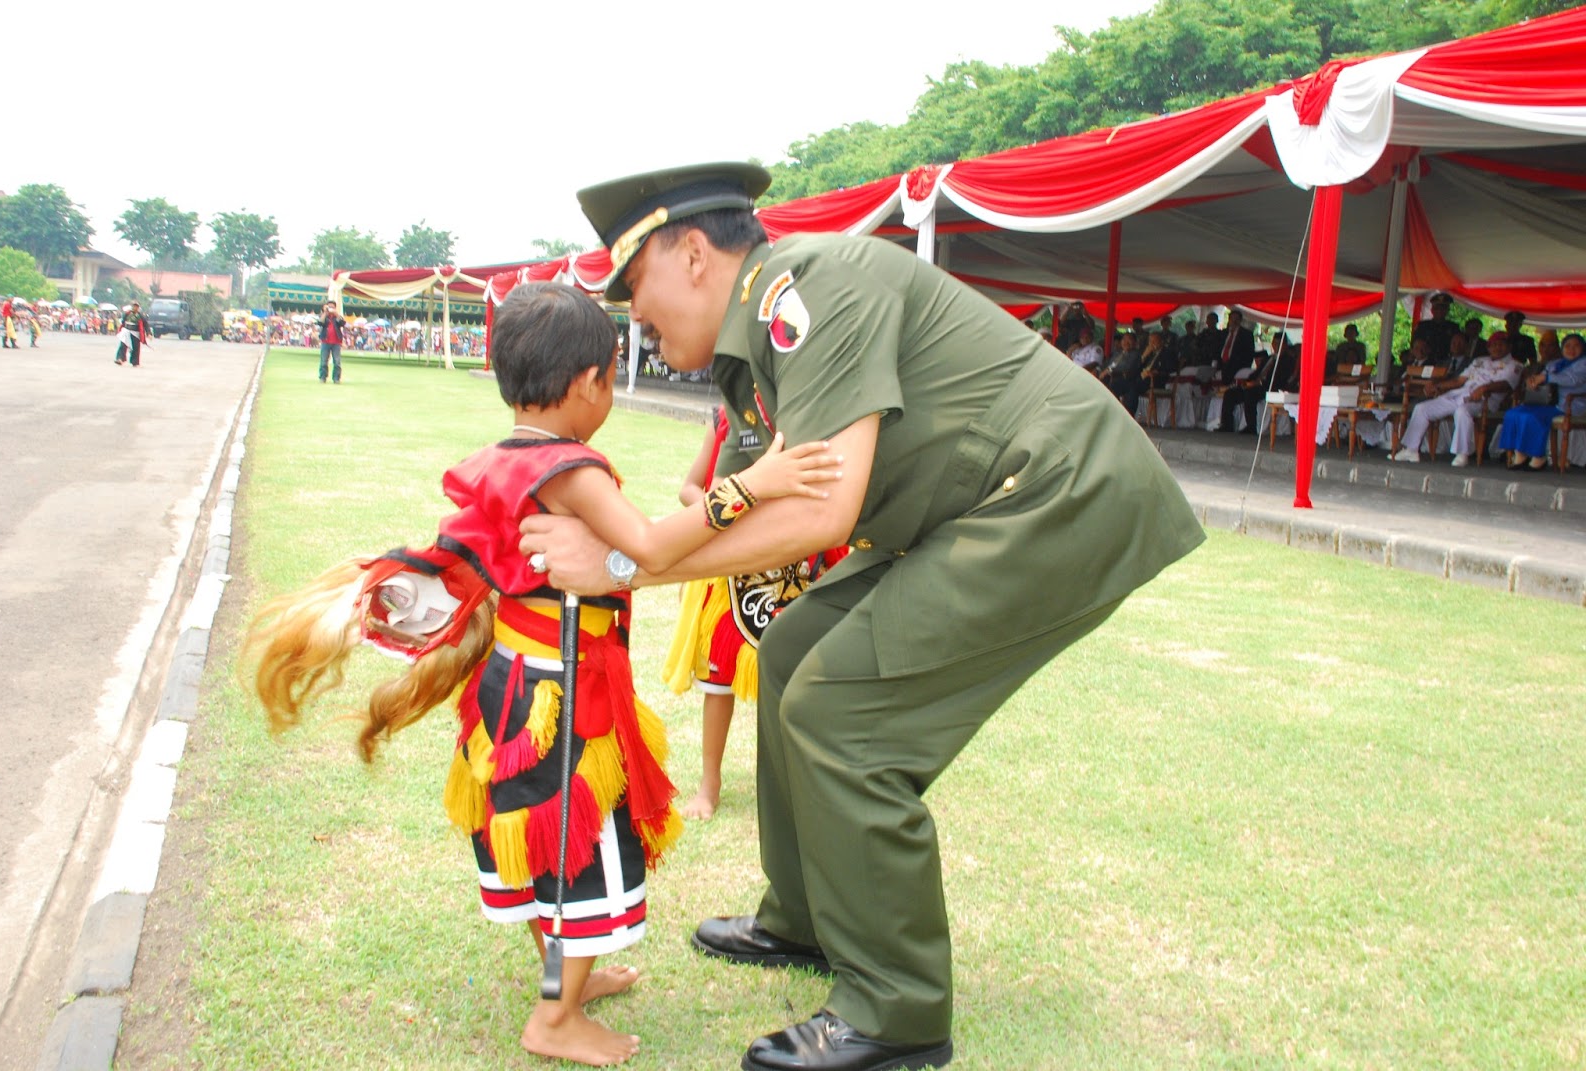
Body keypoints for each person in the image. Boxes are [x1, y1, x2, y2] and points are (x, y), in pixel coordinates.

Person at [521, 163, 1204, 1071]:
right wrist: (634, 550)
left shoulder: (806, 287)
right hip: (973, 505)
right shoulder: (751, 349)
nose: (629, 312)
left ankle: (896, 1010)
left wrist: (620, 565)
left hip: (1053, 489)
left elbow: (820, 513)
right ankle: (802, 916)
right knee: (797, 648)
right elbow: (758, 508)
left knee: (843, 708)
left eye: (634, 284)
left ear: (692, 253)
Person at [243, 282, 839, 1066]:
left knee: (542, 857)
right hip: (563, 706)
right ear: (591, 381)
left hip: (512, 695)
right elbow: (652, 549)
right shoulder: (571, 467)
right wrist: (757, 484)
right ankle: (555, 1020)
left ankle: (566, 983)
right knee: (582, 856)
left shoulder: (497, 460)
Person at [663, 406, 846, 820]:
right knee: (719, 682)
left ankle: (796, 782)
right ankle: (709, 784)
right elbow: (690, 489)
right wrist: (731, 508)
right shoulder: (724, 417)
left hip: (798, 564)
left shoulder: (816, 411)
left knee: (798, 682)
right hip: (731, 570)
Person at [1393, 329, 1522, 466]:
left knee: (1462, 411)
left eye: (1501, 344)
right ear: (1488, 347)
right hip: (1461, 394)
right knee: (1422, 408)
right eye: (1493, 344)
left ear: (1509, 347)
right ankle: (1411, 450)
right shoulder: (1479, 361)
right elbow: (1459, 381)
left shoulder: (1515, 365)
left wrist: (1484, 388)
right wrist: (1438, 386)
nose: (1497, 347)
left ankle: (1462, 453)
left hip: (1485, 400)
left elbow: (1507, 385)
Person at [1497, 331, 1586, 469]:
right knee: (1513, 413)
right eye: (1568, 346)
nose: (1571, 349)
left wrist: (1547, 378)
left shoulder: (1583, 363)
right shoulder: (1555, 364)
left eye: (1576, 346)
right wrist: (1532, 381)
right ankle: (1520, 453)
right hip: (1547, 403)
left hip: (1569, 405)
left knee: (1534, 416)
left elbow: (1573, 380)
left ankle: (1539, 456)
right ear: (1562, 349)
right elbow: (1541, 377)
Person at [1412, 291, 1458, 362]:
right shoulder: (1423, 326)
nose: (1439, 311)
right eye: (1437, 309)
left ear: (1447, 310)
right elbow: (1415, 345)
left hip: (1446, 362)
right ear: (1432, 310)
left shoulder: (1453, 327)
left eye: (1443, 309)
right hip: (1425, 361)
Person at [317, 301, 346, 382]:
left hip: (336, 342)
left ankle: (336, 378)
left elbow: (343, 323)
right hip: (325, 341)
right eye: (329, 306)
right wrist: (325, 313)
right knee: (323, 361)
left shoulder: (336, 316)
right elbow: (320, 322)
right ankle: (323, 377)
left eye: (332, 307)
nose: (331, 308)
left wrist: (336, 314)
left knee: (337, 361)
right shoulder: (324, 316)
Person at [114, 301, 147, 367]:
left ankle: (135, 362)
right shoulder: (127, 313)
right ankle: (120, 359)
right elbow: (123, 321)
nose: (135, 308)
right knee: (123, 345)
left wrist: (148, 333)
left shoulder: (140, 315)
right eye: (134, 306)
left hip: (135, 332)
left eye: (136, 306)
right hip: (127, 331)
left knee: (135, 347)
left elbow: (145, 324)